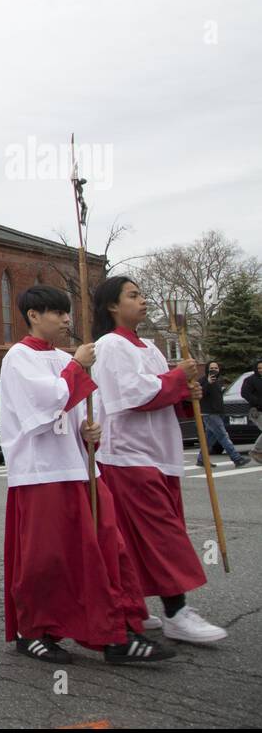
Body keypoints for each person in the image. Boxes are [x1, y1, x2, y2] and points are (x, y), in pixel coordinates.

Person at [1, 285, 171, 666]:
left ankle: (116, 630)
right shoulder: (18, 357)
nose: (66, 320)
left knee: (108, 548)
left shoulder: (64, 357)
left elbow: (73, 410)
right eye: (58, 313)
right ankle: (36, 630)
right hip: (41, 472)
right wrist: (77, 368)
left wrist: (86, 433)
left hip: (80, 468)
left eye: (67, 313)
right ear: (33, 315)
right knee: (47, 558)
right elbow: (42, 406)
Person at [91, 276, 228, 644]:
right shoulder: (109, 346)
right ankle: (176, 610)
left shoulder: (149, 346)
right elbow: (130, 395)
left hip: (160, 452)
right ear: (112, 306)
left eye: (142, 294)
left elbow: (162, 389)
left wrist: (187, 391)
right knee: (161, 534)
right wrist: (176, 381)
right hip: (127, 454)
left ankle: (133, 608)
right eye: (133, 295)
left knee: (140, 537)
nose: (143, 300)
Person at [195, 361, 250, 468]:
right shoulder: (202, 381)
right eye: (211, 368)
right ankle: (237, 459)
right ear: (207, 369)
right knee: (223, 436)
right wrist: (208, 383)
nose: (214, 370)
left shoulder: (219, 381)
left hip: (218, 412)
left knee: (210, 439)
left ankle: (201, 460)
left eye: (216, 368)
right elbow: (200, 395)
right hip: (209, 413)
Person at [242, 358, 262, 463]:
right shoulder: (250, 380)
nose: (261, 370)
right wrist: (257, 401)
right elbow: (244, 393)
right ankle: (256, 450)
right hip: (256, 411)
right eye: (259, 368)